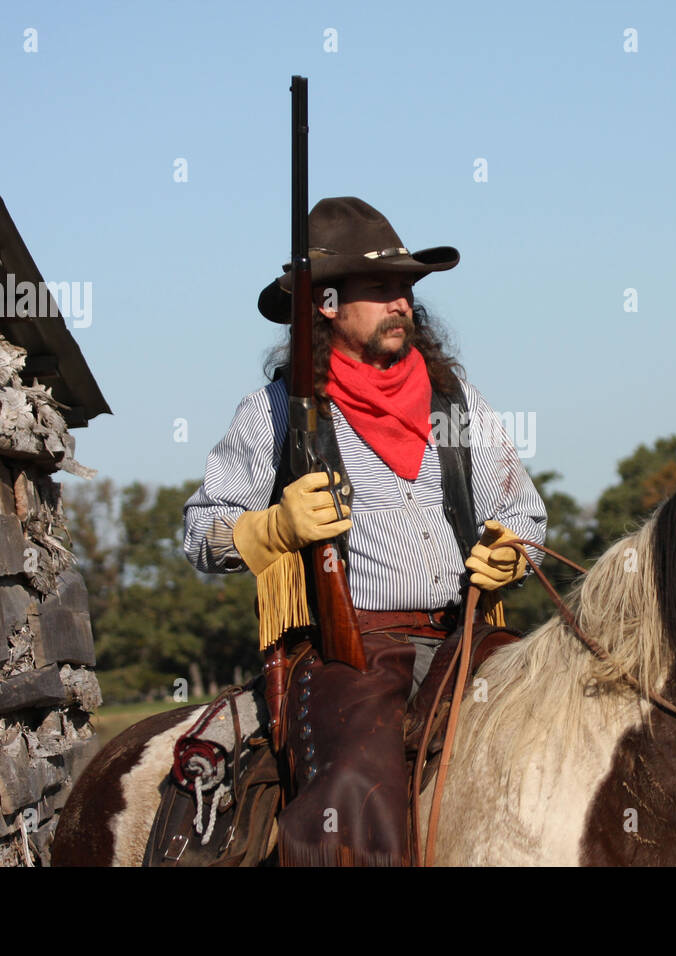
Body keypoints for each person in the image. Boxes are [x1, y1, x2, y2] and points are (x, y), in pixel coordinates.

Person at [182, 196, 547, 865]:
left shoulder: (456, 399)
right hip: (353, 652)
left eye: (406, 290)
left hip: (472, 638)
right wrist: (274, 528)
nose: (403, 304)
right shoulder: (276, 410)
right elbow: (201, 530)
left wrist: (511, 550)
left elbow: (523, 509)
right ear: (324, 305)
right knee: (349, 794)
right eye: (381, 290)